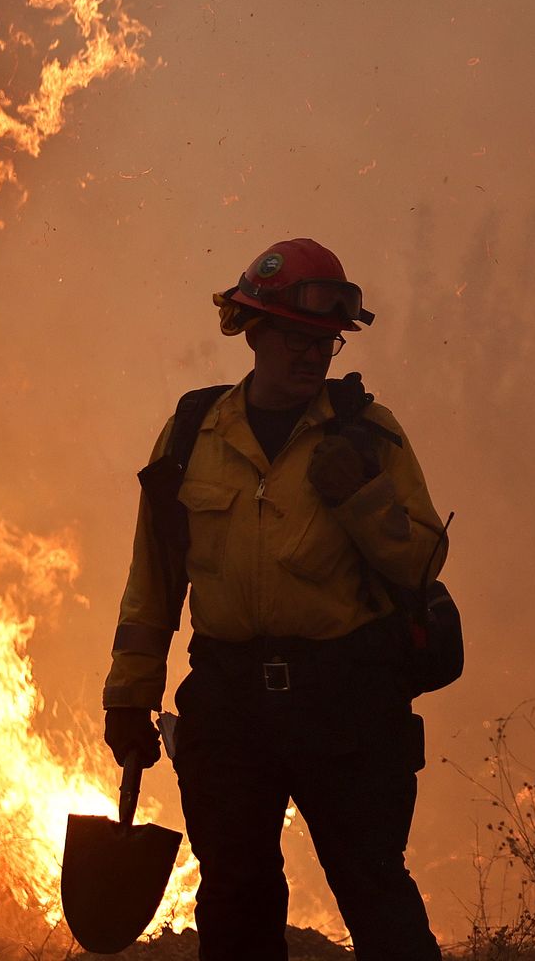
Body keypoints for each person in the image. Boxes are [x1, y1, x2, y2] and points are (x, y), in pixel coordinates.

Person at [102, 237, 448, 960]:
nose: (311, 353)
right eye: (295, 336)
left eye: (324, 340)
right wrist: (129, 697)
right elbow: (154, 579)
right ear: (254, 331)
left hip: (347, 706)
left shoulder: (369, 438)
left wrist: (359, 494)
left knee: (375, 893)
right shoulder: (194, 433)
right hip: (229, 709)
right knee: (235, 900)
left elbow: (421, 563)